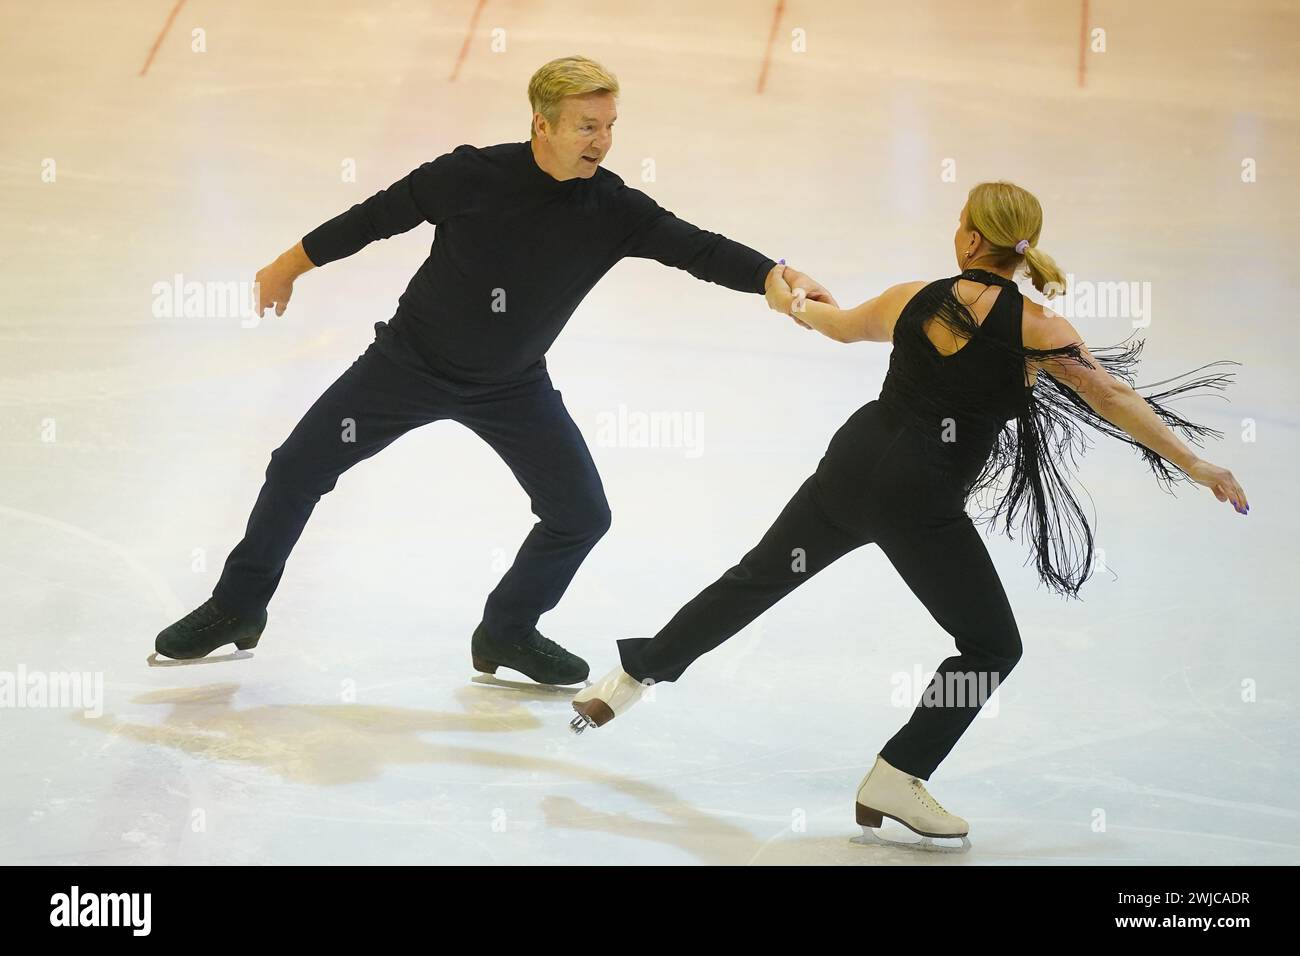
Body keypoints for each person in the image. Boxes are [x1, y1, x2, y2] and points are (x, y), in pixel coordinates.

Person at [570, 181, 1247, 851]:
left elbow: (834, 326)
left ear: (972, 238)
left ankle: (629, 679)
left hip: (853, 464)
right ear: (1023, 247)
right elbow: (1116, 399)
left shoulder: (912, 298)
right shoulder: (1042, 331)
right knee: (990, 648)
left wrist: (794, 300)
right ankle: (899, 774)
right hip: (918, 499)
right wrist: (1197, 466)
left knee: (757, 578)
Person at [152, 55, 835, 683]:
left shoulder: (614, 207)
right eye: (585, 127)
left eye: (610, 127)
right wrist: (286, 265)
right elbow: (375, 217)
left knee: (580, 515)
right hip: (406, 366)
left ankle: (507, 631)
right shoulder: (470, 176)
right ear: (541, 122)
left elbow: (701, 249)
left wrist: (773, 276)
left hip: (512, 386)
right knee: (296, 468)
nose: (601, 141)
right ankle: (238, 606)